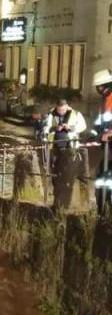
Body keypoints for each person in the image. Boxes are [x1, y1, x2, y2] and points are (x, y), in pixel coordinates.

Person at [42, 96, 88, 210]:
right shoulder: (51, 115)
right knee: (55, 172)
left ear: (67, 107)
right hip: (55, 147)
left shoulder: (76, 114)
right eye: (59, 110)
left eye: (63, 110)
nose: (61, 112)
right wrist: (54, 128)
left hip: (71, 147)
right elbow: (44, 128)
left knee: (72, 173)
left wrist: (71, 127)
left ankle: (79, 200)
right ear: (56, 108)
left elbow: (83, 126)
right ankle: (57, 195)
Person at [91, 69, 112, 210]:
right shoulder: (105, 100)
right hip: (108, 145)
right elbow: (100, 121)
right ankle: (101, 207)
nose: (98, 89)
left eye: (100, 86)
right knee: (102, 175)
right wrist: (93, 134)